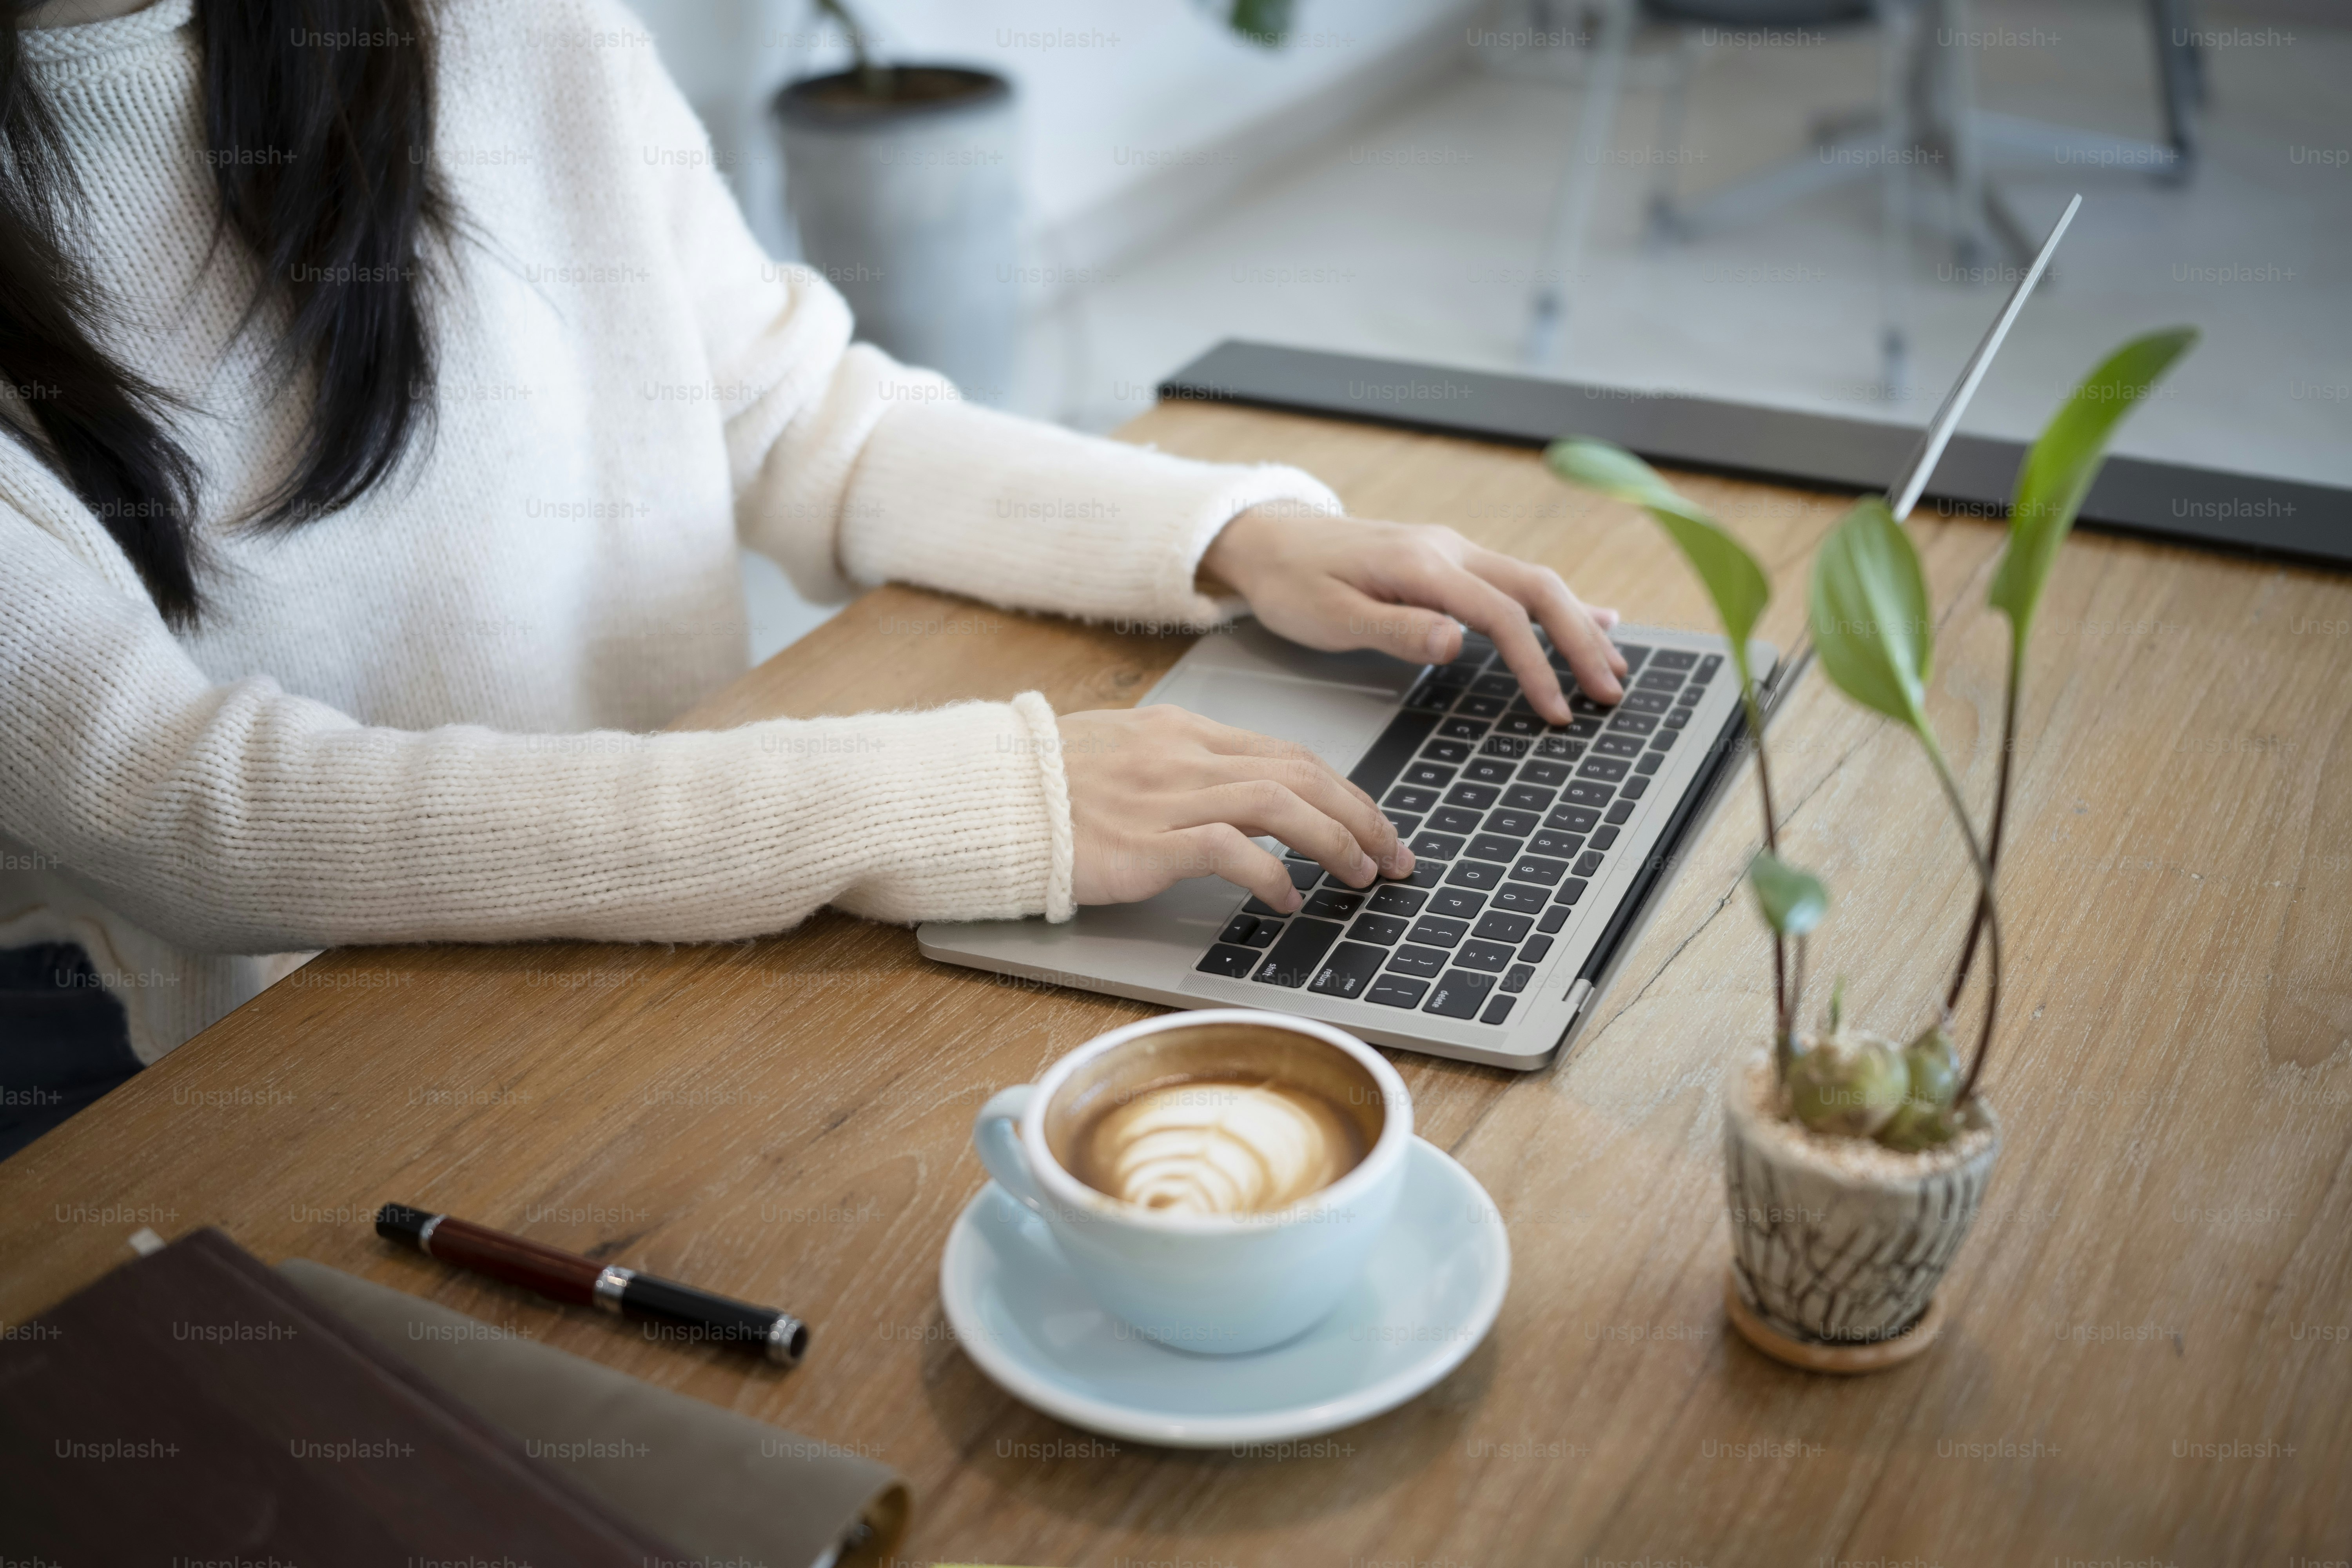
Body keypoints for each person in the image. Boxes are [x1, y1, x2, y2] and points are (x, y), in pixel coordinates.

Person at [0, 0, 1626, 1150]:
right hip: (284, 1057)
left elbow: (791, 414)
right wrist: (953, 798)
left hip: (695, 929)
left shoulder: (513, 28)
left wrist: (1232, 533)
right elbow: (186, 812)